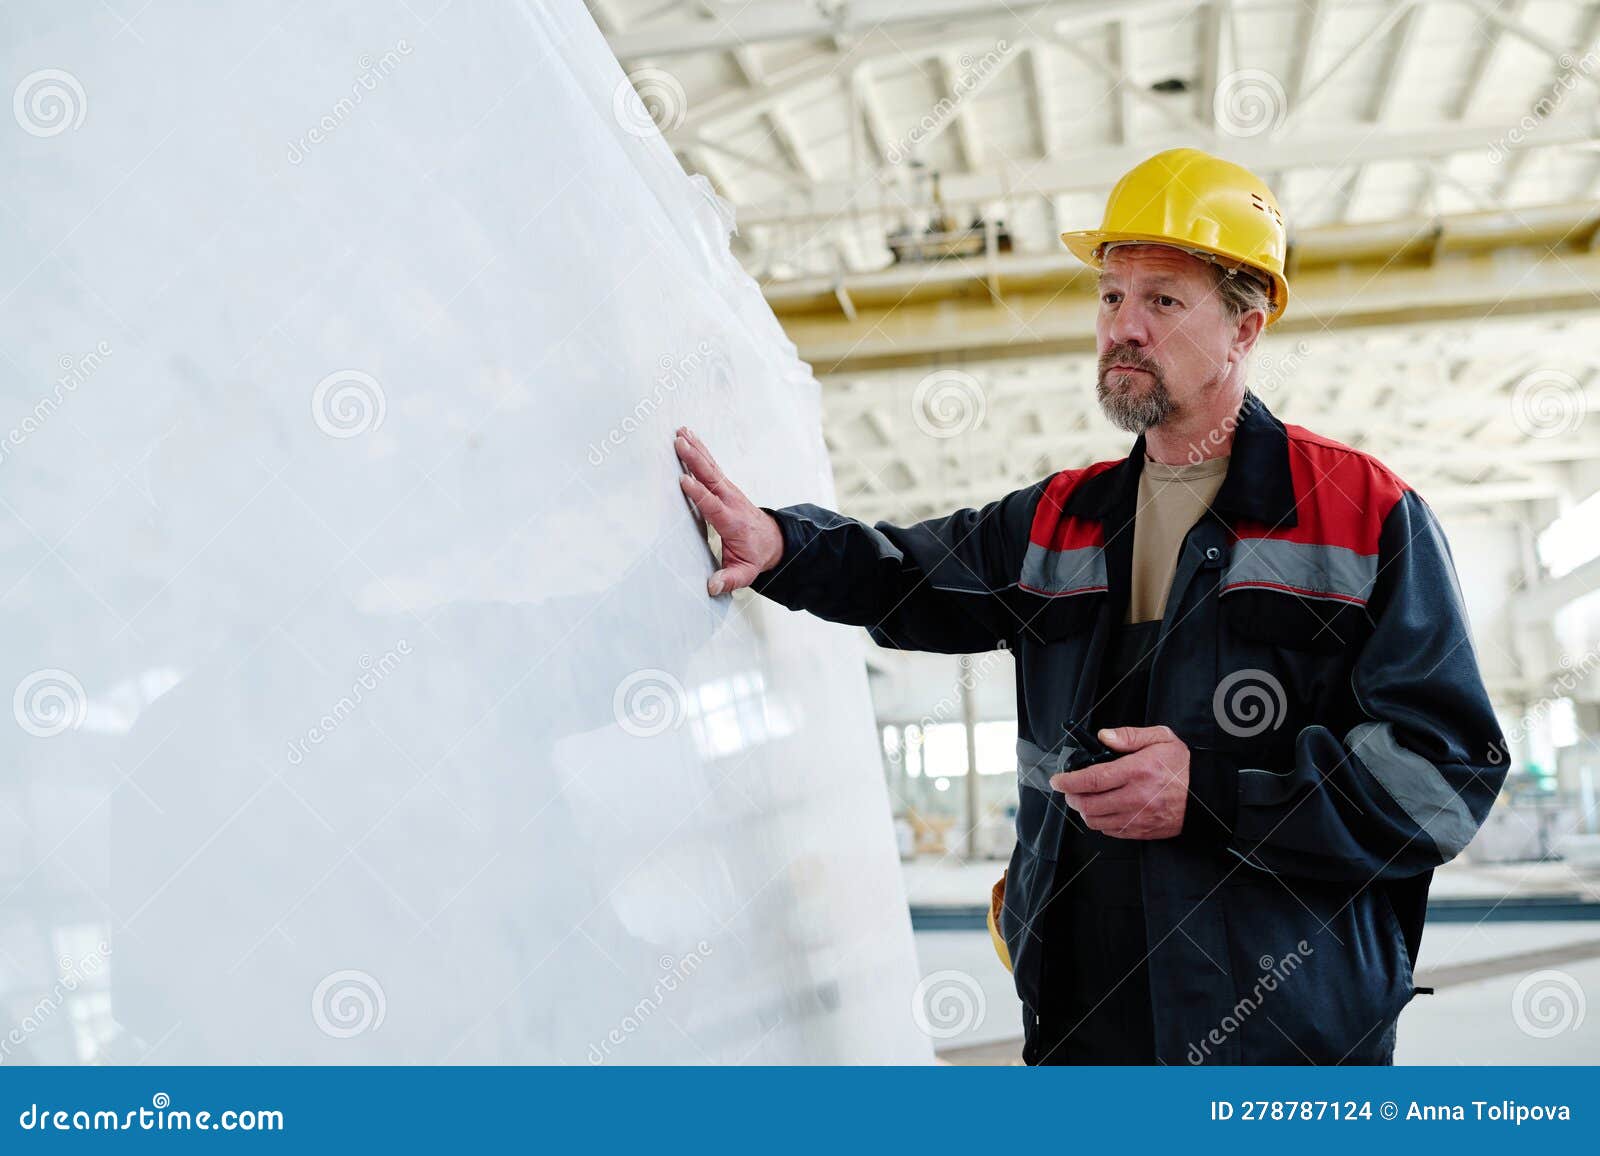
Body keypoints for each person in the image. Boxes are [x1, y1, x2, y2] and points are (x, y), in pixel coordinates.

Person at [672, 148, 1506, 1065]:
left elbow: (1442, 774)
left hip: (1281, 1036)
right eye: (1111, 296)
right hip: (1080, 1017)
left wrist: (1215, 795)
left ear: (1246, 329)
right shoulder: (1061, 518)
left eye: (1163, 299)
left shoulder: (1362, 513)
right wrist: (786, 545)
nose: (1124, 328)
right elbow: (906, 574)